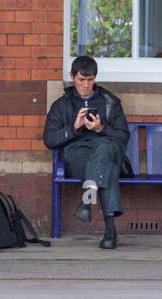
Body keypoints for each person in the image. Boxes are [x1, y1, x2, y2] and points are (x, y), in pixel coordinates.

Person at [43, 55, 133, 249]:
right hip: (79, 155)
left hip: (108, 149)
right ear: (72, 77)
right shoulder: (62, 105)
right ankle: (110, 231)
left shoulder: (110, 102)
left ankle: (87, 201)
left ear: (95, 78)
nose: (86, 85)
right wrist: (74, 127)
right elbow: (49, 140)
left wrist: (101, 129)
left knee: (104, 149)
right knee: (104, 168)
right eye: (81, 80)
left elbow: (124, 137)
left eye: (90, 79)